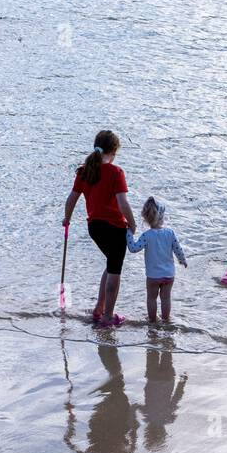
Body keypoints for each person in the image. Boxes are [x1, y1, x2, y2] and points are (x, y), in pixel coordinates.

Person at [63, 130, 136, 327]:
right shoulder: (116, 172)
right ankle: (107, 317)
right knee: (115, 270)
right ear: (114, 152)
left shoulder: (84, 171)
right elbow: (123, 203)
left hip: (94, 227)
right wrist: (133, 222)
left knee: (110, 265)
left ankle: (99, 308)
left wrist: (66, 219)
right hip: (115, 228)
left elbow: (71, 199)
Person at [126, 197, 188, 323]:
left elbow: (133, 248)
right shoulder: (170, 233)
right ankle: (166, 321)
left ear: (146, 218)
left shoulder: (146, 235)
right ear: (162, 216)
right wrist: (182, 260)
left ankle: (152, 322)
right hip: (169, 274)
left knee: (151, 298)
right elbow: (178, 249)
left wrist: (128, 233)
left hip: (153, 276)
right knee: (166, 298)